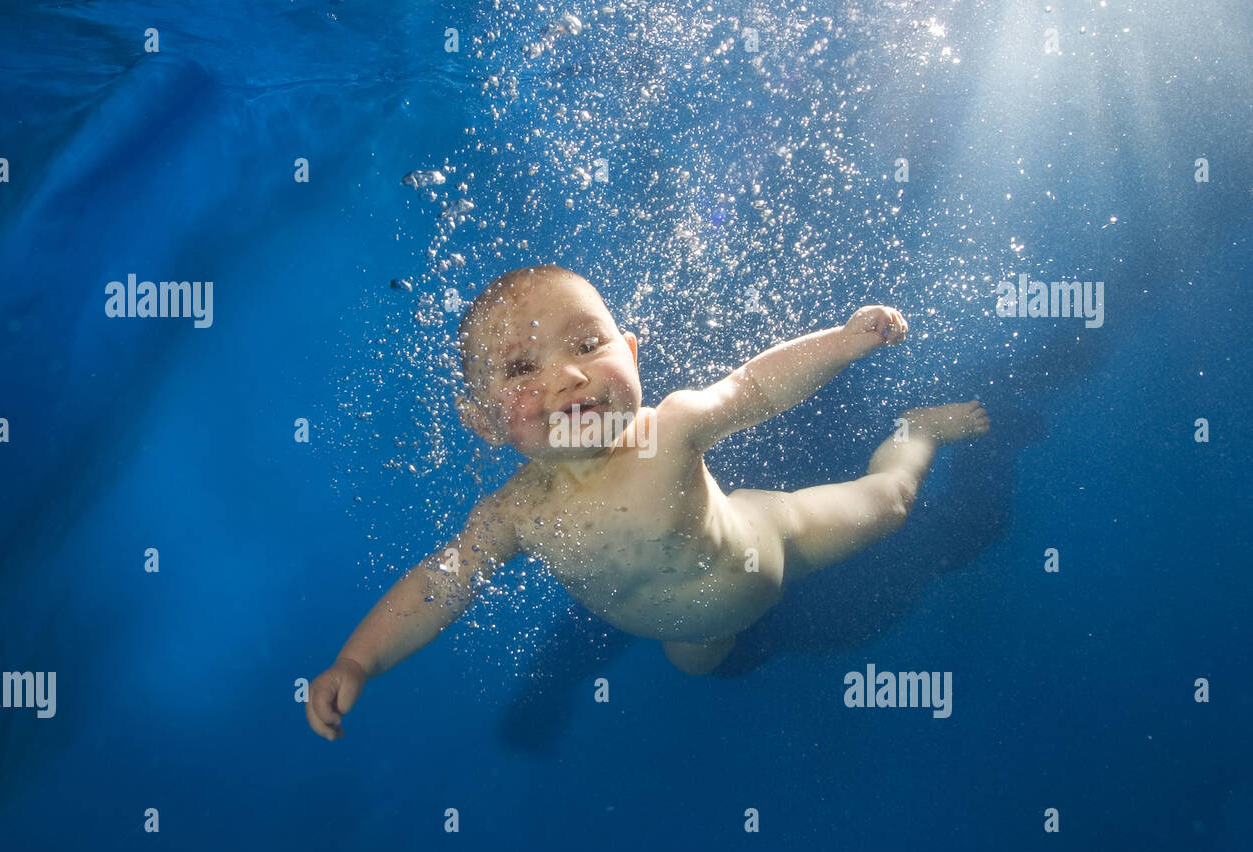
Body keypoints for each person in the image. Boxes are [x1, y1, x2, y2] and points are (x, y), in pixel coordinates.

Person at [307, 264, 988, 740]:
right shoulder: (511, 516)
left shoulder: (669, 428)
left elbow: (758, 386)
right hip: (687, 631)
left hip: (778, 539)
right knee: (700, 663)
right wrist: (357, 661)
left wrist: (845, 341)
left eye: (587, 344)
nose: (567, 375)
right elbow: (438, 583)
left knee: (892, 504)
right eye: (521, 368)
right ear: (483, 421)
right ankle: (724, 635)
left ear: (631, 354)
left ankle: (916, 431)